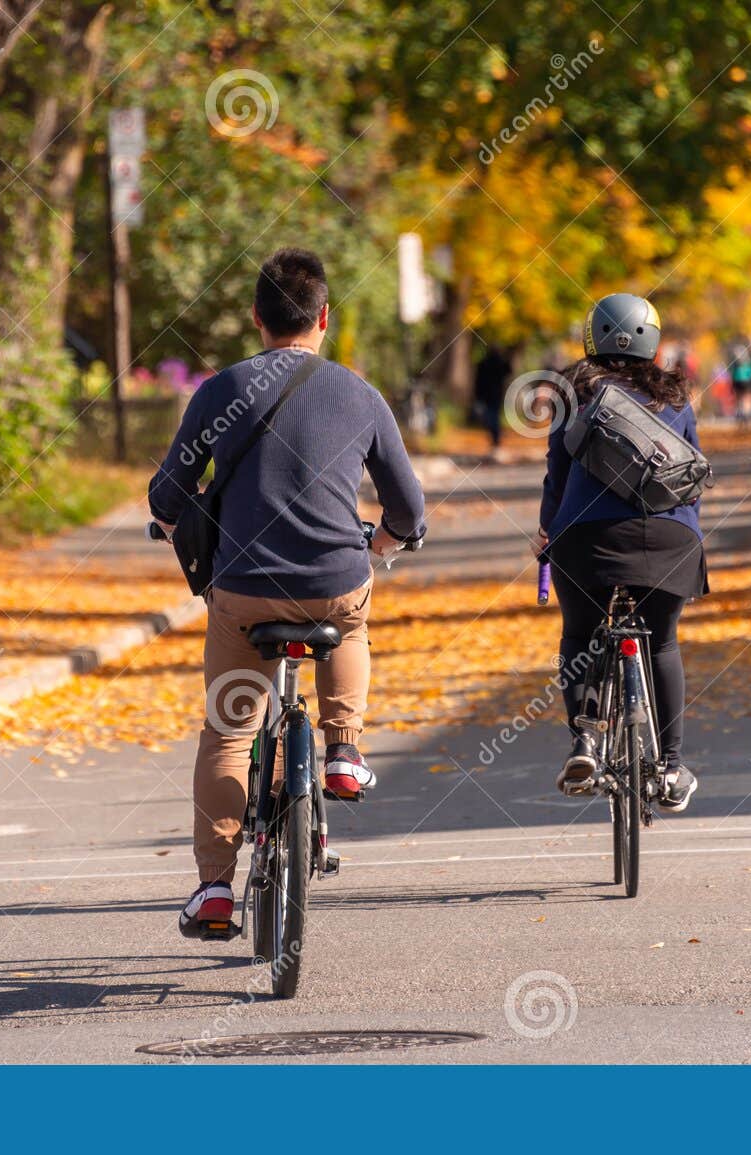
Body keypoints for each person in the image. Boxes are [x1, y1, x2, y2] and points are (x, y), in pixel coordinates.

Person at [148, 247, 426, 936]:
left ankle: (215, 887)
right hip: (335, 583)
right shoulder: (358, 393)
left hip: (242, 593)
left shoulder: (219, 391)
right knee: (354, 623)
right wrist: (384, 542)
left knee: (228, 728)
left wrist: (173, 522)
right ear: (324, 316)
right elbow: (408, 509)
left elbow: (167, 495)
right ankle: (343, 749)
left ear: (257, 318)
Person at [536, 293, 707, 809]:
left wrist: (547, 532)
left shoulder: (574, 392)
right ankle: (672, 767)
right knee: (662, 644)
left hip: (585, 542)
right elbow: (692, 479)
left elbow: (557, 476)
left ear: (592, 337)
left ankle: (585, 739)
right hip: (669, 542)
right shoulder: (676, 396)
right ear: (653, 340)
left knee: (580, 636)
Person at [473, 344, 512, 456]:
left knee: (491, 417)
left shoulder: (484, 363)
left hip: (487, 395)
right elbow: (508, 371)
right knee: (493, 416)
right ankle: (495, 438)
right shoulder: (498, 362)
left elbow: (478, 382)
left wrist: (478, 396)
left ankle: (495, 438)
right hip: (496, 394)